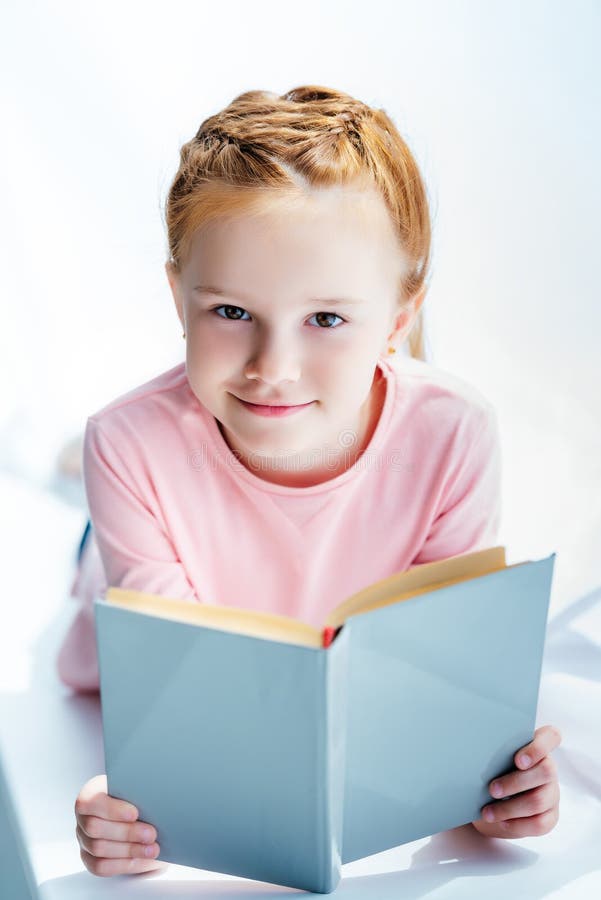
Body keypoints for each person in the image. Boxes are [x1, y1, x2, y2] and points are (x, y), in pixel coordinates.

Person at [57, 85, 562, 878]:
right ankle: (74, 505)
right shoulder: (125, 444)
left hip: (314, 595)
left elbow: (439, 678)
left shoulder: (454, 430)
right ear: (177, 299)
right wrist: (129, 807)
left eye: (325, 320)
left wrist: (502, 784)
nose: (272, 370)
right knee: (90, 545)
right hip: (159, 556)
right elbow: (179, 710)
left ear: (396, 322)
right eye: (229, 311)